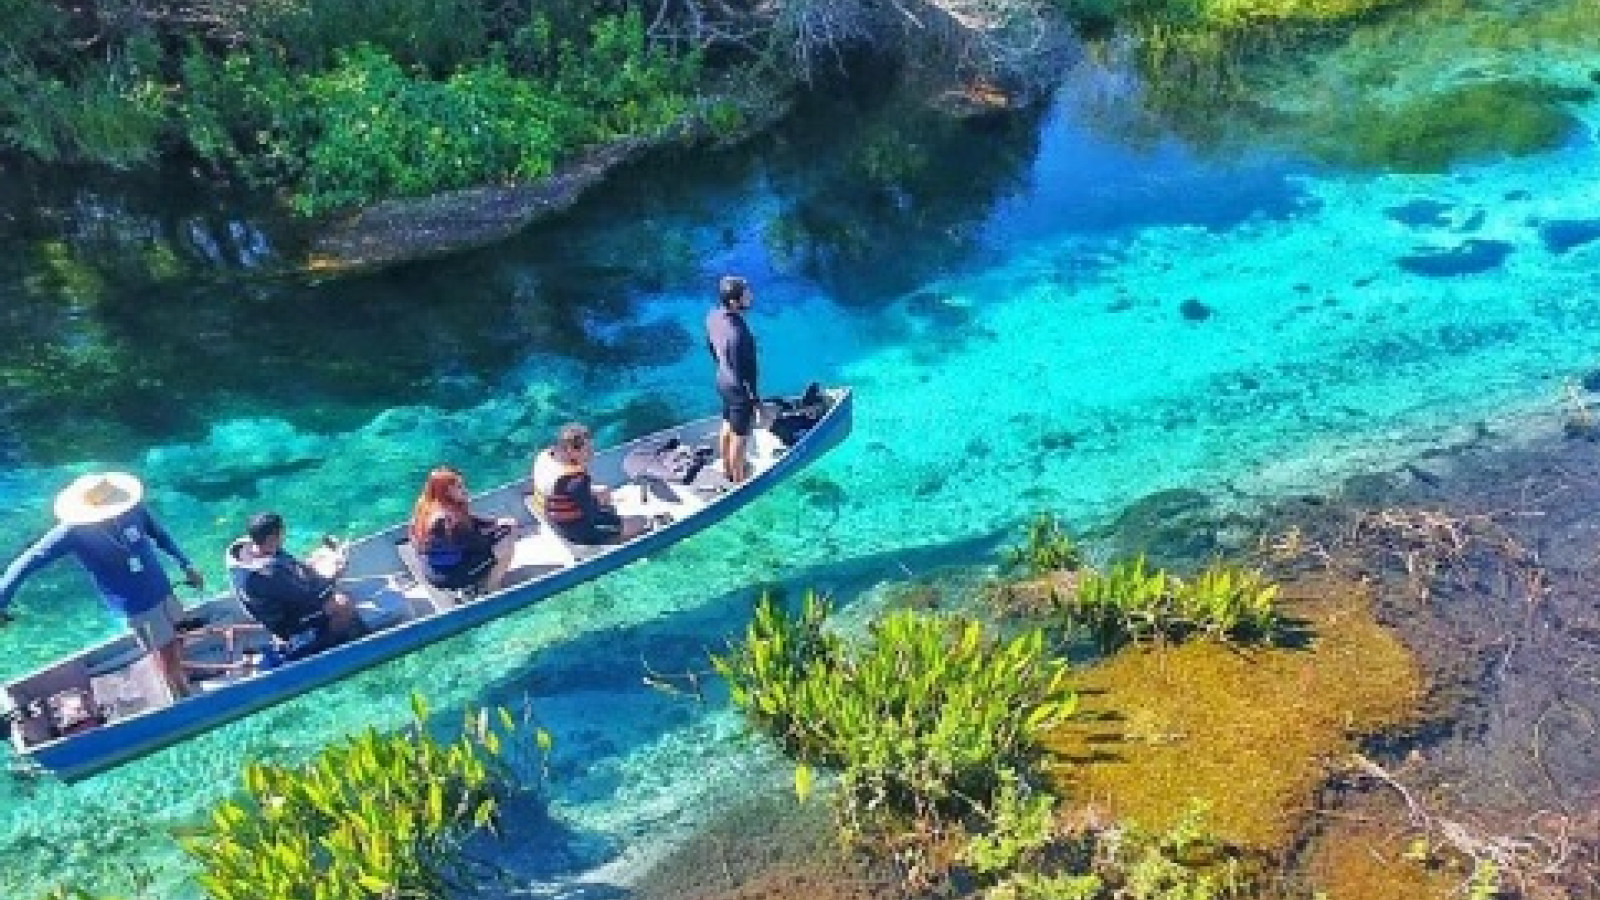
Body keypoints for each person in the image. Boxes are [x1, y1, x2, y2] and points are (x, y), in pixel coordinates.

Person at [0, 472, 204, 699]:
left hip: (162, 589)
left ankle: (178, 673)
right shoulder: (72, 532)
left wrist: (186, 564)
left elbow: (160, 535)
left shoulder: (132, 509)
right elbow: (25, 563)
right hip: (137, 605)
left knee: (177, 635)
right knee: (162, 650)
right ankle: (180, 695)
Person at [225, 512, 364, 658]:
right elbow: (312, 597)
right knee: (343, 604)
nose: (284, 534)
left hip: (270, 607)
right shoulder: (269, 573)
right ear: (272, 538)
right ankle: (324, 647)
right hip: (285, 621)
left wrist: (321, 558)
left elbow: (293, 568)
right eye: (282, 531)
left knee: (319, 557)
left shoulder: (244, 549)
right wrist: (337, 572)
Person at [409, 466, 517, 593]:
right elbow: (479, 544)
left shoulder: (425, 506)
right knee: (506, 544)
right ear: (446, 491)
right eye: (459, 487)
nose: (464, 490)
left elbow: (470, 522)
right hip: (448, 576)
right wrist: (504, 530)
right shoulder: (448, 521)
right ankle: (488, 589)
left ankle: (475, 580)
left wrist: (495, 523)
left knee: (500, 534)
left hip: (430, 567)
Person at [538, 423, 649, 545]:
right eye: (588, 450)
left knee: (603, 491)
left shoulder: (547, 456)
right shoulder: (576, 480)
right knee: (641, 522)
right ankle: (613, 541)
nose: (592, 454)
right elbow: (593, 516)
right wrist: (617, 520)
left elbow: (564, 490)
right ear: (571, 450)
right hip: (574, 530)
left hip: (551, 518)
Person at [704, 274, 761, 483]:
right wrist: (754, 400)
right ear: (734, 302)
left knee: (727, 423)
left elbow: (711, 346)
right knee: (741, 437)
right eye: (746, 296)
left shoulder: (712, 317)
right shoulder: (738, 334)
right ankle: (738, 480)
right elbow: (745, 372)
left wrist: (722, 367)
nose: (751, 297)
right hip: (738, 389)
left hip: (722, 379)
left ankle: (727, 468)